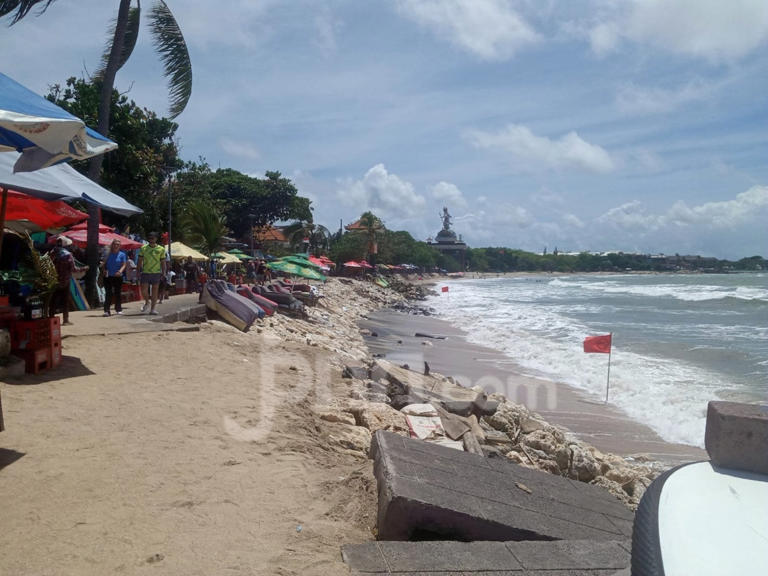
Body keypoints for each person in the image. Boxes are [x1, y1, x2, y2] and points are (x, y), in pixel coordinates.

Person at [51, 238, 86, 325]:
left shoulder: (52, 253)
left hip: (54, 280)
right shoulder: (68, 255)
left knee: (53, 300)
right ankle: (65, 320)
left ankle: (50, 317)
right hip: (65, 280)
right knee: (64, 301)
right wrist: (84, 268)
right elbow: (74, 269)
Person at [137, 232, 167, 315]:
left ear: (156, 239)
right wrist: (138, 271)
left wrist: (164, 272)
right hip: (145, 272)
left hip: (156, 272)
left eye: (153, 238)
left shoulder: (161, 249)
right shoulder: (143, 248)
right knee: (143, 291)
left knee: (155, 291)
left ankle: (153, 309)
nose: (151, 240)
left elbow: (163, 262)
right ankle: (147, 301)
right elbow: (139, 261)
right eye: (150, 238)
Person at [102, 239, 127, 316]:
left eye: (118, 244)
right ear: (112, 245)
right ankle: (106, 310)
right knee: (108, 293)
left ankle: (118, 309)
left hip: (118, 276)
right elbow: (103, 264)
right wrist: (104, 270)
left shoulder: (122, 254)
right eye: (115, 244)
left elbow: (124, 264)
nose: (116, 246)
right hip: (108, 276)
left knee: (118, 293)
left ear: (120, 246)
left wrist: (120, 271)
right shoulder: (107, 253)